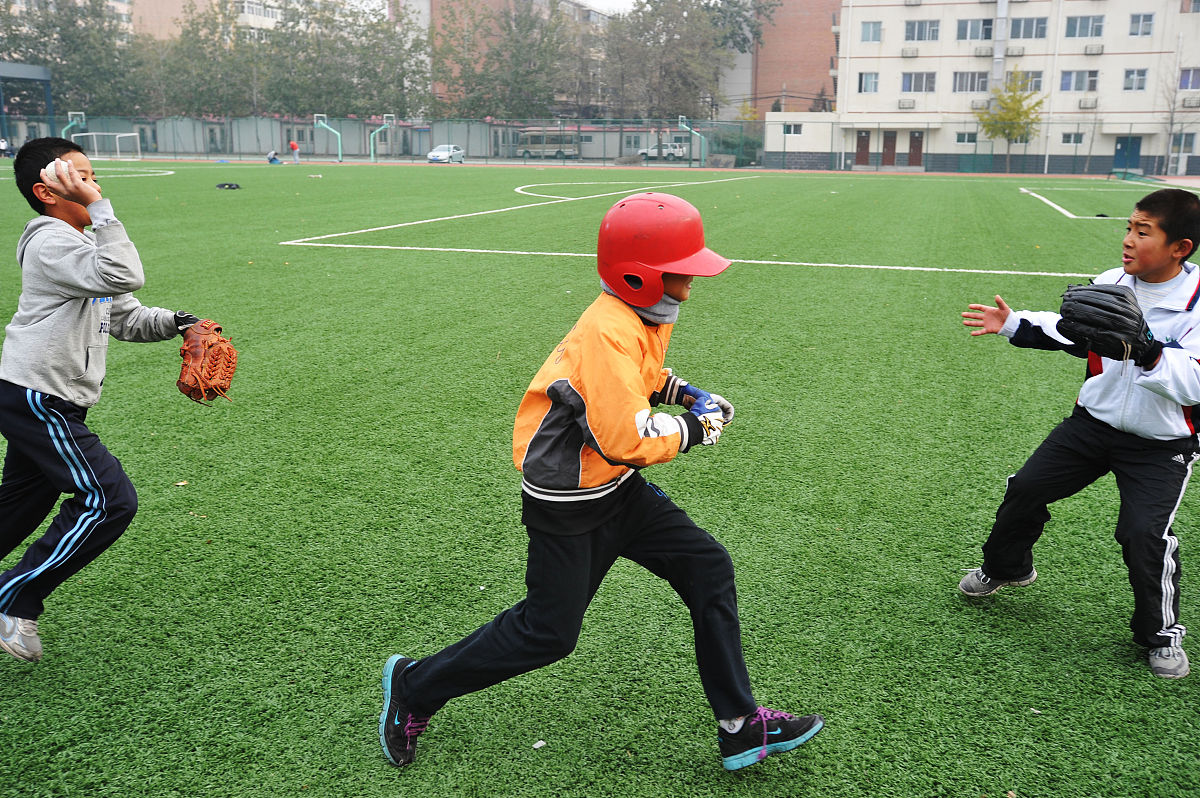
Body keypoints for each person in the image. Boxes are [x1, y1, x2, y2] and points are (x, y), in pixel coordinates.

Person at [378, 192, 823, 772]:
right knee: (548, 634)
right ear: (639, 277)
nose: (693, 279)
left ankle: (738, 724)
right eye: (681, 270)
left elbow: (643, 376)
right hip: (570, 500)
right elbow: (626, 438)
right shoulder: (607, 331)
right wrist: (697, 428)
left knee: (707, 564)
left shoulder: (641, 315)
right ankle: (414, 687)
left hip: (616, 489)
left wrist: (683, 392)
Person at [958, 188, 1200, 679]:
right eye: (1129, 228)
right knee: (1025, 489)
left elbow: (1194, 382)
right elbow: (1071, 330)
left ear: (1181, 247)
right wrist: (1013, 324)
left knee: (1144, 535)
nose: (1128, 240)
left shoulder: (1197, 305)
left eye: (1143, 231)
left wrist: (1148, 350)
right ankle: (1008, 568)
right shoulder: (1114, 282)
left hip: (1161, 444)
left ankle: (1159, 635)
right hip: (1092, 425)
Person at [0, 138, 204, 663]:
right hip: (37, 395)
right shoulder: (51, 241)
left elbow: (125, 314)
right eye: (82, 179)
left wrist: (182, 322)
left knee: (22, 504)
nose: (94, 187)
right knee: (109, 501)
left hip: (43, 394)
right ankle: (13, 596)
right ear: (47, 192)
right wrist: (103, 211)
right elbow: (124, 274)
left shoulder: (77, 248)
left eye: (95, 179)